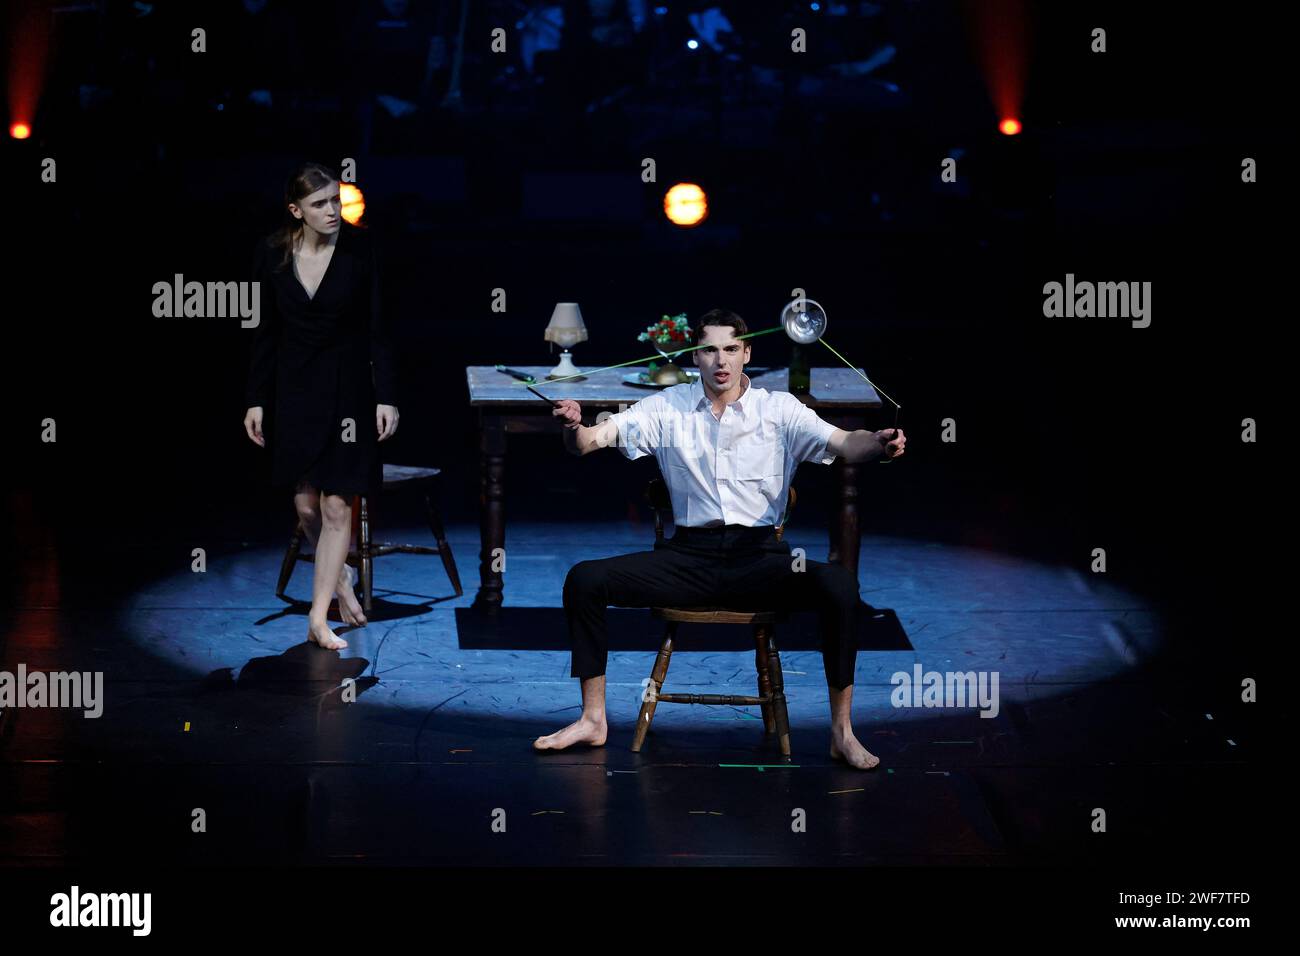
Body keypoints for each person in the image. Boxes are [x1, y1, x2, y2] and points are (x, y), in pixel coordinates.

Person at [533, 308, 905, 769]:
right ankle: (592, 720)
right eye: (710, 349)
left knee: (840, 586)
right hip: (688, 559)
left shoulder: (779, 409)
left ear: (747, 353)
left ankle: (842, 733)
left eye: (731, 349)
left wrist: (881, 443)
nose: (721, 360)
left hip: (763, 562)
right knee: (585, 579)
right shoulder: (667, 407)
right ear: (696, 356)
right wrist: (572, 426)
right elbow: (590, 442)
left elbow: (849, 444)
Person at [243, 163, 400, 651]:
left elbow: (380, 327)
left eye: (335, 200)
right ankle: (341, 577)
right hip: (294, 390)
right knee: (305, 503)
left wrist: (386, 394)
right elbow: (263, 332)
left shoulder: (360, 249)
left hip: (349, 391)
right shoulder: (271, 255)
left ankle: (317, 616)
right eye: (320, 204)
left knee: (336, 503)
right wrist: (255, 399)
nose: (332, 211)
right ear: (296, 211)